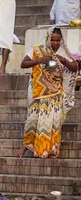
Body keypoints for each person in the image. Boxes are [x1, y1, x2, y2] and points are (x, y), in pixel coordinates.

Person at [18, 28, 78, 159]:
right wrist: (39, 60)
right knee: (33, 120)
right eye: (53, 40)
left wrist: (63, 60)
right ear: (48, 39)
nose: (55, 43)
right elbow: (23, 64)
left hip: (55, 93)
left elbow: (75, 68)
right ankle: (25, 147)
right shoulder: (38, 49)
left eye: (58, 40)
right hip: (37, 92)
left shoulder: (64, 51)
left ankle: (49, 151)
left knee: (52, 123)